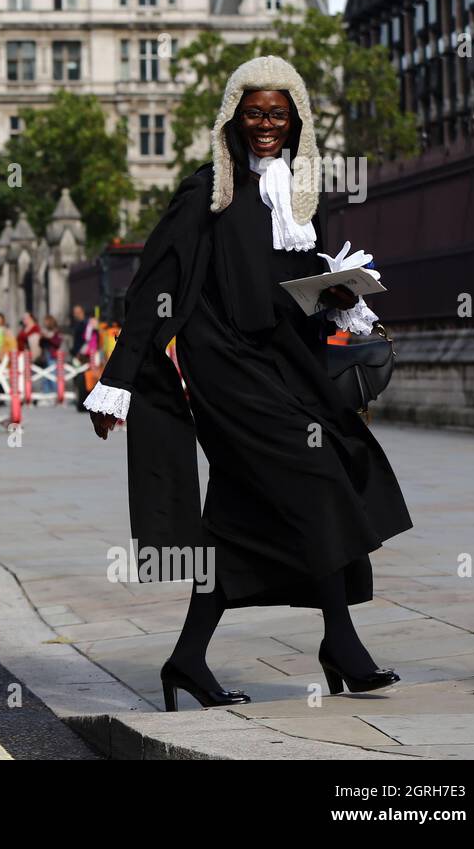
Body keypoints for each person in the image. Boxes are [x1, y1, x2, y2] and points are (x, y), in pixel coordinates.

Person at [83, 56, 411, 711]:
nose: (266, 124)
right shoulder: (207, 190)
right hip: (227, 370)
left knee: (241, 517)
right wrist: (116, 379)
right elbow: (156, 287)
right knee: (318, 476)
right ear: (235, 115)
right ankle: (341, 641)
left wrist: (338, 292)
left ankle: (187, 659)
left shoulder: (300, 193)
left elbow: (292, 290)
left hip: (286, 365)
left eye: (278, 113)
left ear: (296, 121)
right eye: (255, 112)